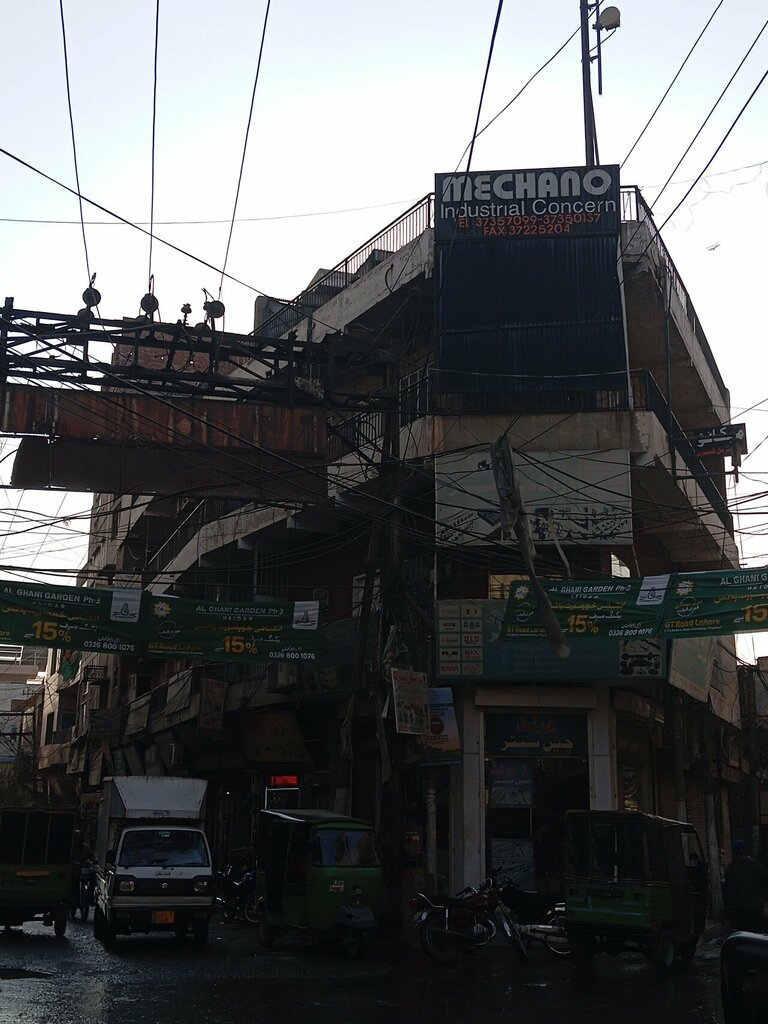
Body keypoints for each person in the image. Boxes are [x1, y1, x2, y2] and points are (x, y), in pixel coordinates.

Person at [724, 839, 768, 933]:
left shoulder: (731, 870)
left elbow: (727, 892)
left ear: (734, 854)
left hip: (739, 911)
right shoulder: (758, 867)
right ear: (747, 851)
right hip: (755, 910)